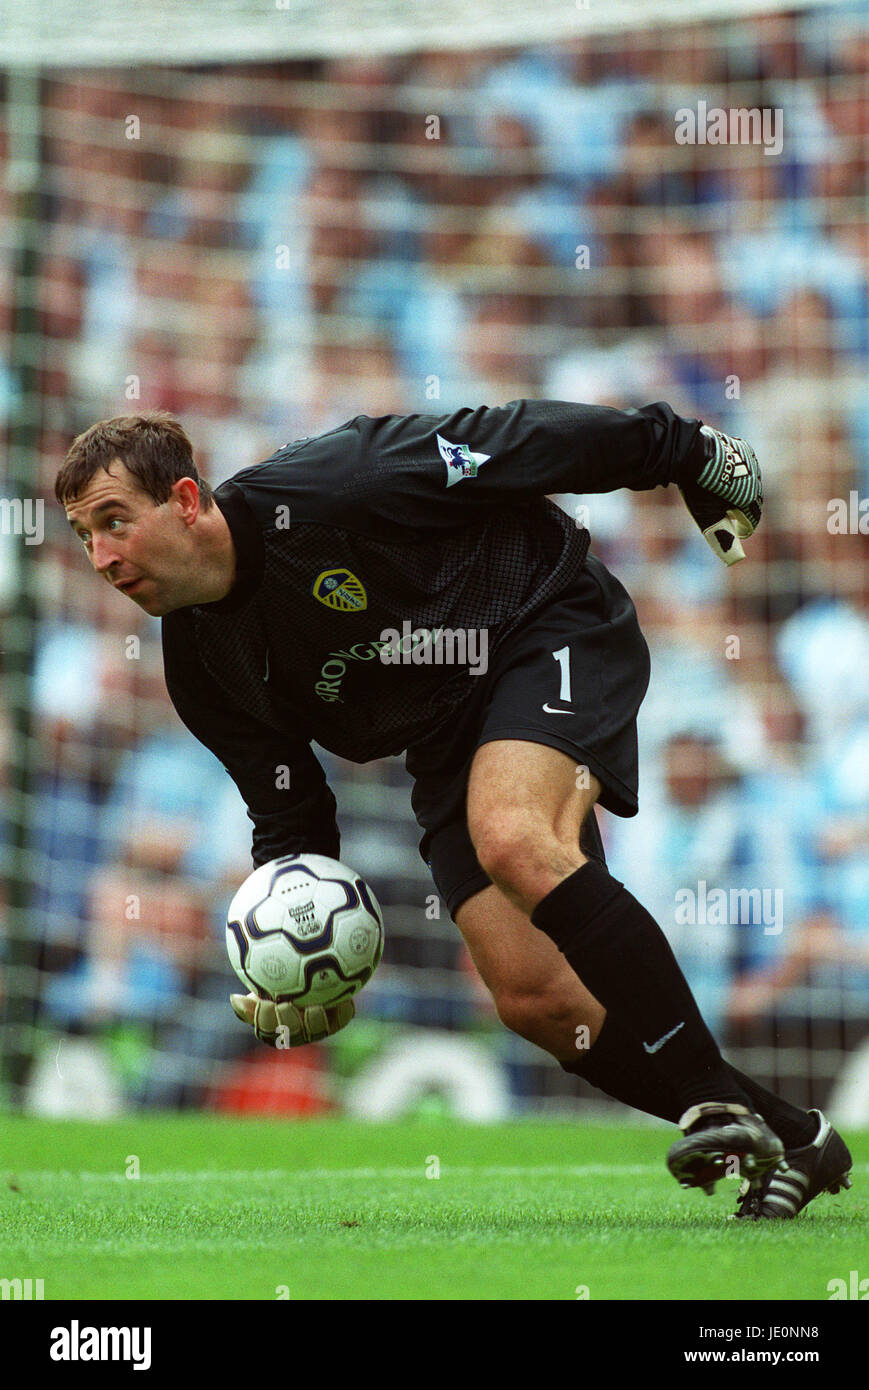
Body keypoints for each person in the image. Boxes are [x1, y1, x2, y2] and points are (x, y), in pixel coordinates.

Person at [55, 401, 852, 1219]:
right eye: (86, 538)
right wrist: (294, 962)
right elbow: (290, 815)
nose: (102, 557)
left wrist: (681, 450)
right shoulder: (198, 666)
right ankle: (795, 1138)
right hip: (446, 738)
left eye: (115, 522)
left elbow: (517, 441)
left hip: (547, 624)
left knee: (512, 838)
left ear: (185, 500)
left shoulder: (338, 481)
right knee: (536, 1000)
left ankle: (710, 1107)